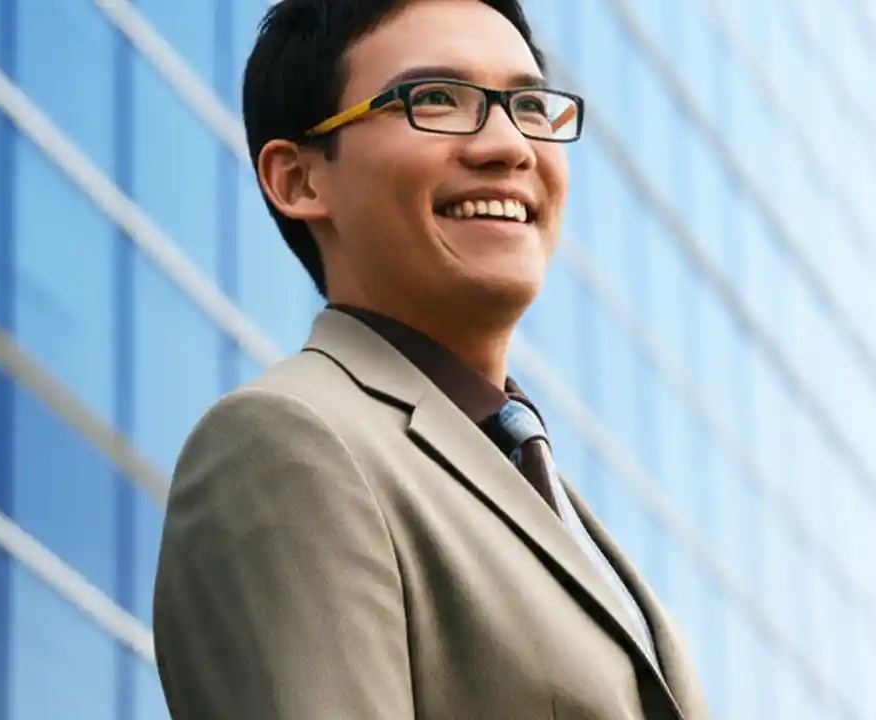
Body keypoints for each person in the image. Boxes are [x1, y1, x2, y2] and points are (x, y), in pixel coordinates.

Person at [152, 0, 708, 717]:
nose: (509, 146)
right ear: (299, 180)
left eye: (530, 105)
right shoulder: (287, 446)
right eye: (436, 99)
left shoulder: (551, 496)